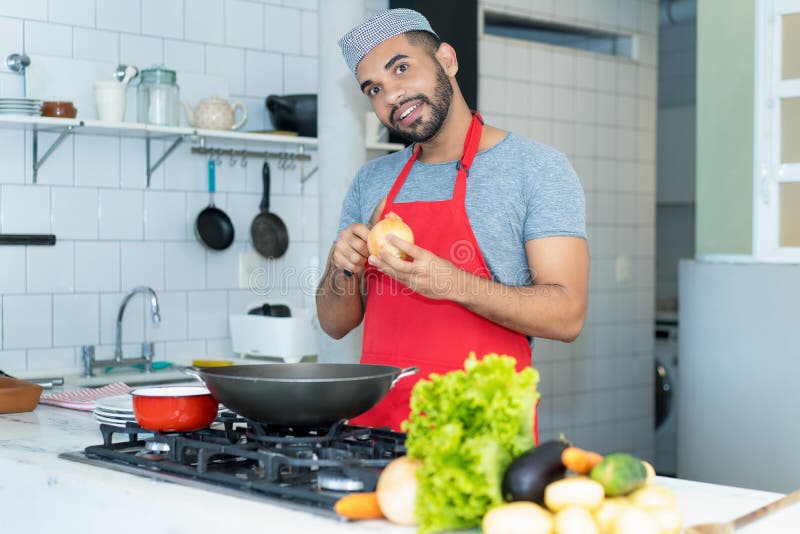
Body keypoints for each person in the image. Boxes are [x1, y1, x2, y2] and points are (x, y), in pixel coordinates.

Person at [316, 8, 589, 433]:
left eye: (402, 68)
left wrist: (451, 282)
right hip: (381, 431)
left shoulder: (536, 169)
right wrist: (340, 266)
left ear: (447, 59)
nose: (392, 96)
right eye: (374, 89)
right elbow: (334, 324)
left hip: (482, 435)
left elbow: (568, 315)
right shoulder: (372, 180)